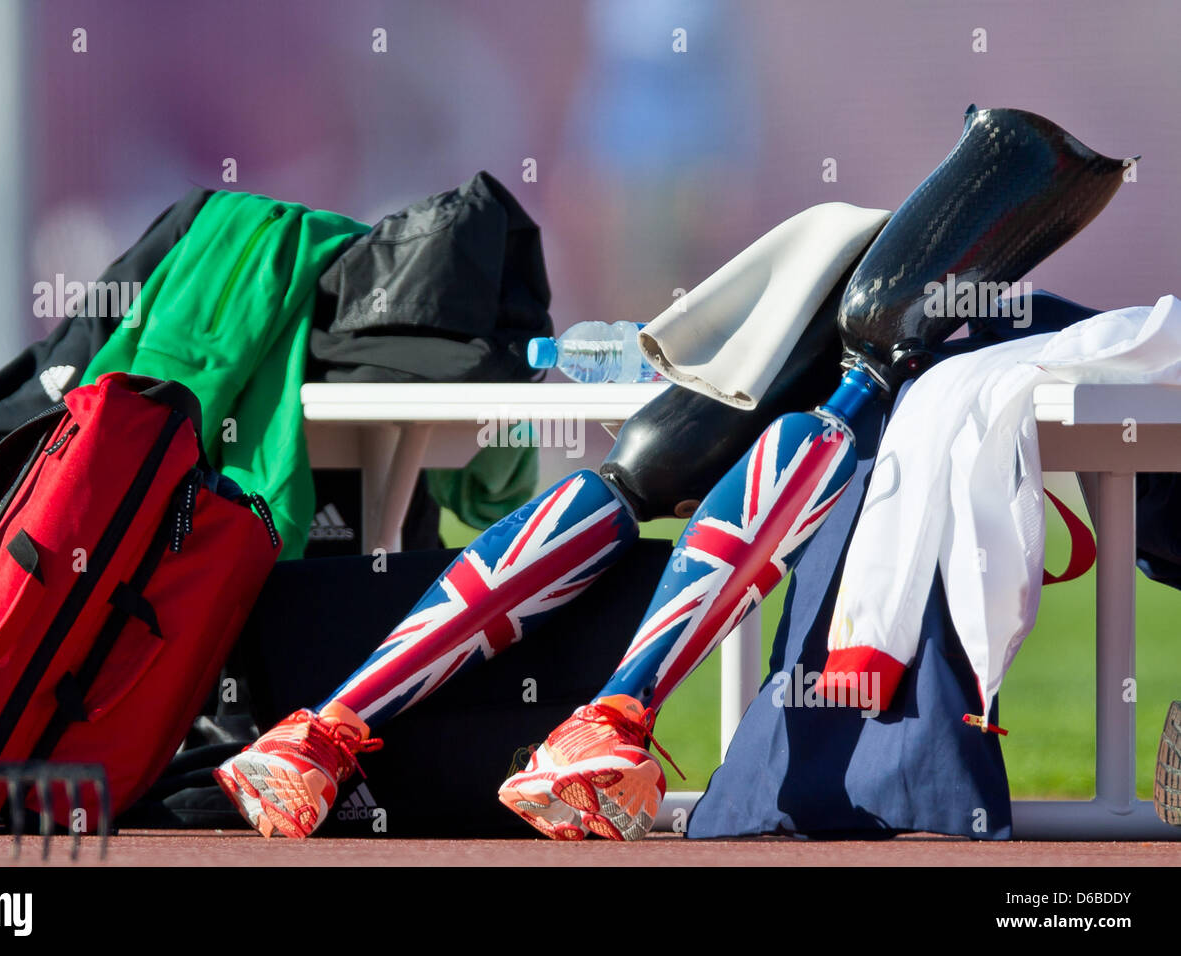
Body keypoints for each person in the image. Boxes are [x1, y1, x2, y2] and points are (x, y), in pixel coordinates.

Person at [214, 105, 1129, 840]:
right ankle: (609, 718)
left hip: (818, 335)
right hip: (884, 341)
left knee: (641, 472)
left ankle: (318, 730)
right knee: (870, 362)